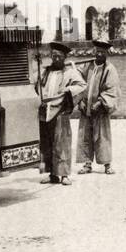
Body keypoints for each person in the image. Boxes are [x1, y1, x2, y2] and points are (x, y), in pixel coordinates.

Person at [35, 41, 86, 185]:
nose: (56, 59)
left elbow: (82, 86)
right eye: (54, 56)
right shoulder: (45, 72)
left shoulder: (70, 72)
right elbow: (37, 86)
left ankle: (64, 175)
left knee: (61, 142)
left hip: (60, 111)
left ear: (64, 58)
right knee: (47, 143)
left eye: (59, 57)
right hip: (45, 111)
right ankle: (52, 174)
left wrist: (68, 91)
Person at [76, 39, 120, 175]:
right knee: (85, 135)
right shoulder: (87, 66)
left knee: (102, 136)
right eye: (97, 51)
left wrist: (100, 102)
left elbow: (111, 89)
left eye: (102, 52)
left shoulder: (109, 69)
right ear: (94, 52)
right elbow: (78, 83)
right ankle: (87, 163)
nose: (99, 54)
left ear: (106, 53)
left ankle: (107, 164)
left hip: (100, 109)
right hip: (86, 107)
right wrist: (80, 101)